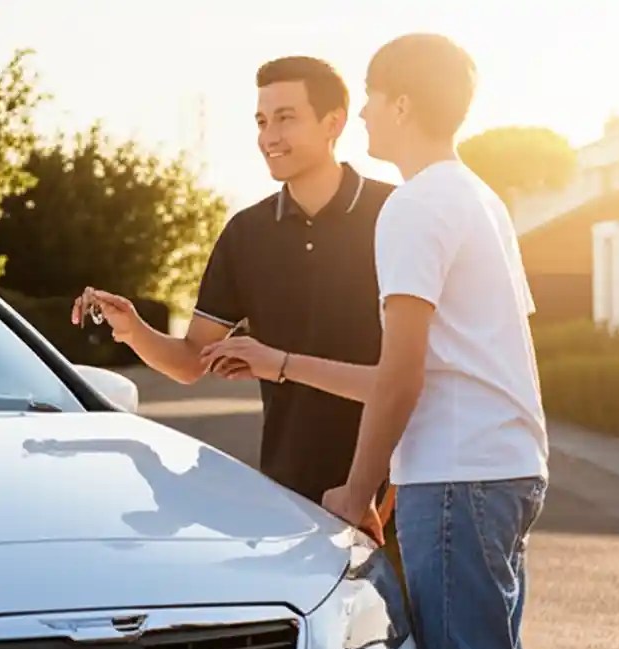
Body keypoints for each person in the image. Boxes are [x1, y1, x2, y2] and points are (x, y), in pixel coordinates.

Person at [202, 34, 548, 649]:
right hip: (508, 470)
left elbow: (401, 376)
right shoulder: (480, 198)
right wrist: (281, 364)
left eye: (368, 98)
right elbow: (446, 365)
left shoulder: (411, 208)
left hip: (456, 480)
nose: (360, 115)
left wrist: (357, 488)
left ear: (401, 104)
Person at [71, 56, 394, 540]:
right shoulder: (246, 234)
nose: (269, 137)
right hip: (291, 496)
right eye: (262, 122)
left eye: (286, 118)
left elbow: (414, 373)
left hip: (401, 490)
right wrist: (134, 329)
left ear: (334, 123)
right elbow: (189, 361)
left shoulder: (394, 214)